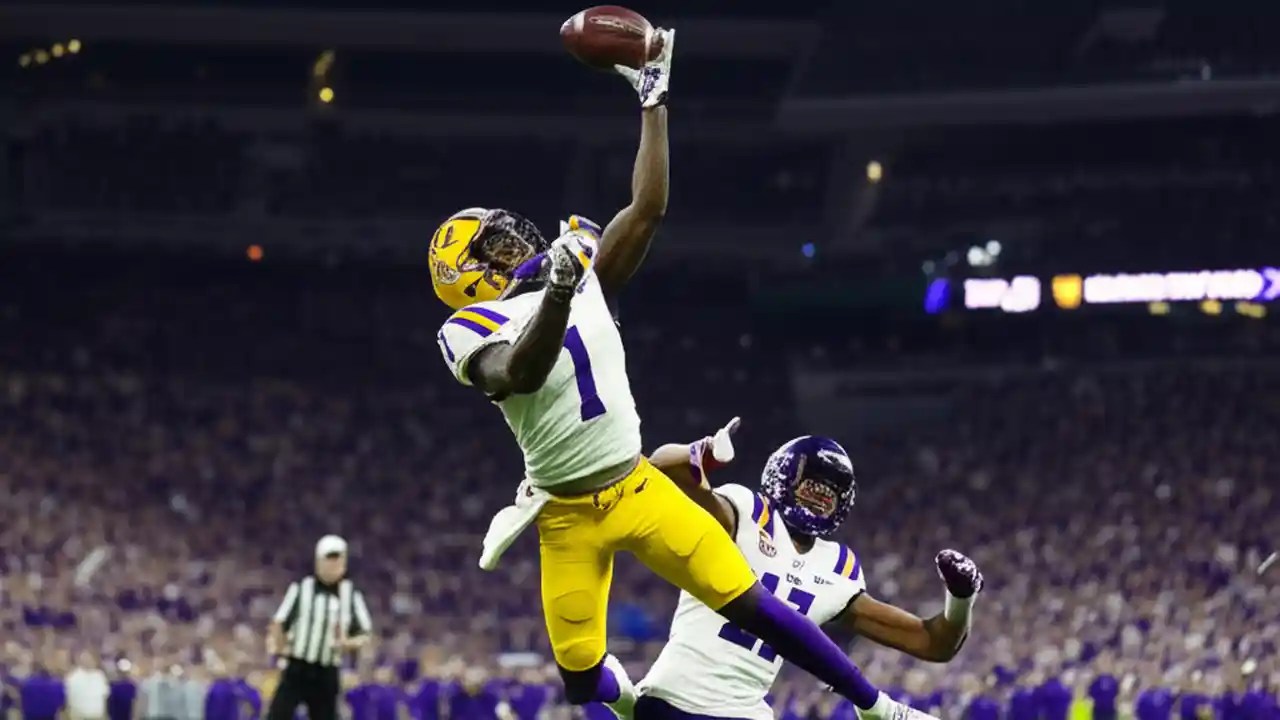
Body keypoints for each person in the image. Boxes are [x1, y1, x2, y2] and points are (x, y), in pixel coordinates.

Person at [429, 28, 915, 720]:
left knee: (753, 603)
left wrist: (653, 99)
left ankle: (878, 709)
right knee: (578, 679)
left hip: (633, 483)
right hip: (565, 512)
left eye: (506, 233)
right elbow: (522, 370)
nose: (515, 241)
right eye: (494, 245)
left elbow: (647, 208)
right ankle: (627, 703)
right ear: (469, 277)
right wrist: (562, 294)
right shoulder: (468, 329)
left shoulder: (579, 264)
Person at [635, 418, 985, 720]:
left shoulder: (837, 567)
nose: (820, 497)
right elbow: (660, 471)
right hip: (675, 698)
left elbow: (933, 643)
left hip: (743, 710)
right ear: (783, 477)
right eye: (812, 485)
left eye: (830, 492)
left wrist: (960, 598)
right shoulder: (745, 511)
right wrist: (702, 453)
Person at [265, 535, 374, 720]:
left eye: (337, 559)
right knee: (278, 714)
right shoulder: (301, 588)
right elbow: (279, 622)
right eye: (329, 560)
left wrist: (347, 643)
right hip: (298, 666)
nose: (333, 565)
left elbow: (365, 633)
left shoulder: (351, 595)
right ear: (318, 562)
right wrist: (279, 648)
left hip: (327, 669)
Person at [64, 652, 109, 720]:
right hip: (78, 715)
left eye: (90, 660)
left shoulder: (99, 676)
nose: (88, 662)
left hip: (96, 715)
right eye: (85, 660)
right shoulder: (73, 676)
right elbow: (67, 695)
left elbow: (105, 695)